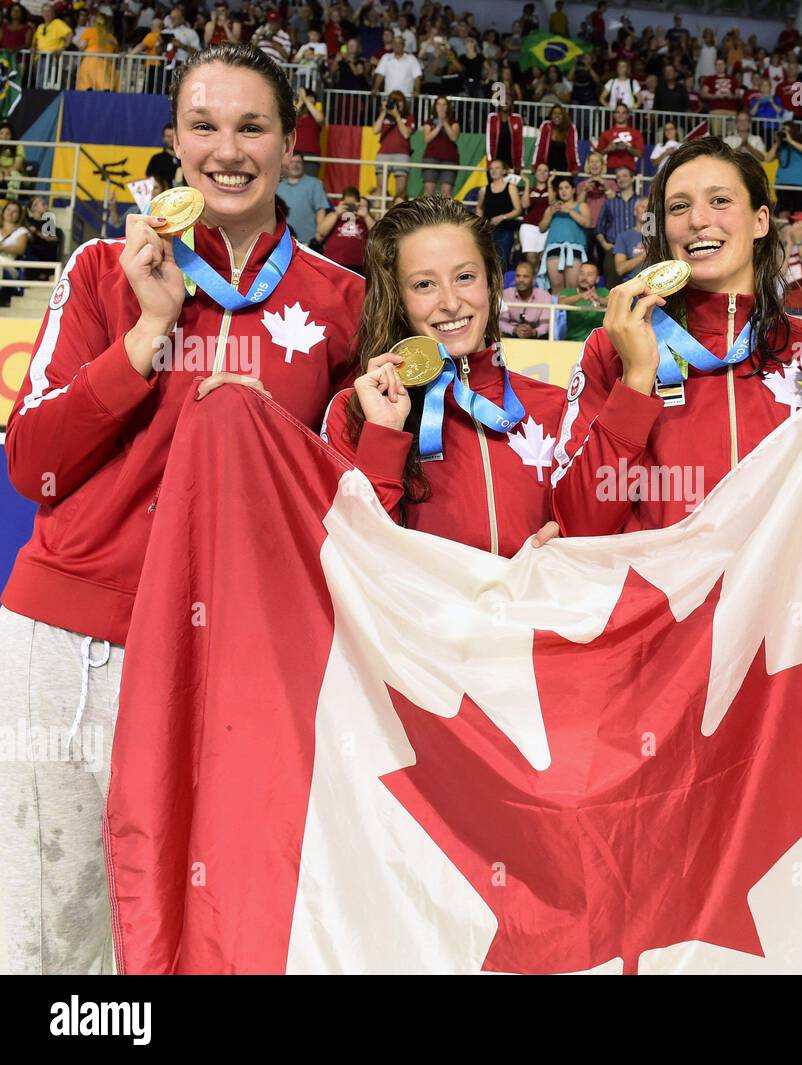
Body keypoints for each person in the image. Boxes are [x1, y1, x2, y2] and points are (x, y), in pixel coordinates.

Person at [0, 41, 364, 976]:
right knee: (50, 935)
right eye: (203, 125)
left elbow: (356, 499)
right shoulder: (100, 271)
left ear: (291, 147)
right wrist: (149, 331)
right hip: (77, 645)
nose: (227, 149)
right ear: (172, 141)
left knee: (200, 926)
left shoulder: (341, 304)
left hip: (235, 662)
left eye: (252, 126)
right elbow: (33, 464)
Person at [550, 137, 802, 536]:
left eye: (720, 201)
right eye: (679, 207)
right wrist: (636, 380)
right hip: (662, 598)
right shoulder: (612, 347)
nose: (698, 220)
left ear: (760, 221)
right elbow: (578, 524)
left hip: (795, 598)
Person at [322, 197, 565, 553]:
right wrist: (384, 438)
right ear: (398, 297)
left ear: (491, 282)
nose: (450, 303)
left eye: (465, 277)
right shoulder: (356, 412)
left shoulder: (557, 407)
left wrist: (573, 540)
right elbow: (350, 555)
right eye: (424, 285)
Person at [539, 174, 590, 293]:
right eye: (560, 188)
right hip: (554, 248)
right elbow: (541, 228)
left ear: (573, 190)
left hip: (574, 249)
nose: (563, 191)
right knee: (556, 287)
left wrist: (569, 211)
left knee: (572, 288)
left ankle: (570, 312)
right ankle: (557, 312)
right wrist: (551, 213)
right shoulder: (552, 208)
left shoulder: (581, 206)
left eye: (566, 187)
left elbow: (587, 223)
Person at [277, 150, 332, 246]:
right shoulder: (277, 185)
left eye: (298, 162)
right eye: (292, 162)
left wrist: (318, 238)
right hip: (282, 241)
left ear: (303, 164)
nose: (295, 165)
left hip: (308, 242)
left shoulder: (315, 184)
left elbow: (321, 210)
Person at [476, 158, 523, 267]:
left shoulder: (511, 187)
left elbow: (518, 210)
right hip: (488, 231)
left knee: (502, 261)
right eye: (491, 168)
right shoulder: (484, 190)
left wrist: (502, 217)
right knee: (487, 262)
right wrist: (479, 225)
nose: (493, 171)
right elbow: (479, 208)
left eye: (497, 168)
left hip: (505, 230)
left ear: (504, 171)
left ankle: (502, 283)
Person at [372, 90, 415, 202]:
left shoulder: (409, 117)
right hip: (383, 154)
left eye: (399, 101)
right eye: (394, 101)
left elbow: (406, 134)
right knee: (380, 189)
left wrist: (397, 116)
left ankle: (399, 218)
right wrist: (383, 112)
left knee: (400, 191)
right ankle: (379, 217)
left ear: (404, 102)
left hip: (401, 155)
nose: (397, 103)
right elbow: (375, 130)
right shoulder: (384, 116)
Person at [318, 186, 370, 277]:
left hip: (359, 266)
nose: (349, 208)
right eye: (347, 205)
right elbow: (321, 231)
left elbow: (378, 232)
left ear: (358, 203)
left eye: (352, 205)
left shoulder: (364, 218)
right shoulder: (334, 216)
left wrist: (366, 216)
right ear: (341, 203)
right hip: (334, 264)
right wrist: (337, 213)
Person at [766, 122, 802, 217]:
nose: (785, 132)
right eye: (783, 130)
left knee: (799, 212)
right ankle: (784, 231)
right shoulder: (781, 146)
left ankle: (798, 231)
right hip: (782, 183)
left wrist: (790, 140)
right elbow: (768, 159)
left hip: (799, 183)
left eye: (787, 130)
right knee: (784, 211)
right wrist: (776, 142)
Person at [500, 258, 553, 339]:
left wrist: (534, 332)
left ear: (533, 280)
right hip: (511, 337)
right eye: (518, 276)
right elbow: (501, 322)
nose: (521, 280)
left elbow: (546, 325)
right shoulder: (505, 294)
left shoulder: (545, 296)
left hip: (537, 339)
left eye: (525, 276)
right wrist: (514, 330)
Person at [558, 261, 609, 343]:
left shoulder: (603, 292)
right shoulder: (568, 292)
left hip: (598, 342)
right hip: (573, 341)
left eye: (589, 275)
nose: (584, 278)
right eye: (582, 273)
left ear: (597, 279)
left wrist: (598, 299)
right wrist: (580, 296)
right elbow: (560, 303)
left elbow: (613, 303)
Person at [518, 162, 550, 271]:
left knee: (543, 257)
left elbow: (552, 202)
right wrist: (527, 183)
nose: (542, 173)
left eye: (545, 171)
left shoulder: (552, 189)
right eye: (539, 170)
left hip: (547, 227)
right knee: (531, 257)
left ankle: (542, 284)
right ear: (535, 174)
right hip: (529, 226)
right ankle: (533, 283)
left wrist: (549, 184)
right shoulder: (530, 190)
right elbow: (525, 204)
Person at [596, 103, 645, 174]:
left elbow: (640, 154)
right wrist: (608, 149)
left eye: (623, 112)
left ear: (628, 115)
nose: (620, 115)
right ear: (614, 115)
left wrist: (628, 148)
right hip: (611, 169)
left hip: (629, 169)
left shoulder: (636, 133)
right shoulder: (606, 133)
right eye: (618, 112)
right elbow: (598, 154)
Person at [532, 104, 579, 175]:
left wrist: (575, 167)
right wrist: (536, 165)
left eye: (560, 113)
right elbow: (539, 147)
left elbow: (573, 149)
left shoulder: (570, 128)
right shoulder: (545, 126)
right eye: (554, 113)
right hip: (547, 168)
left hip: (564, 168)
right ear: (550, 115)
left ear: (564, 116)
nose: (557, 116)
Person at [612, 198, 649, 282]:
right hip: (631, 286)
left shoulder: (659, 236)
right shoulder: (623, 236)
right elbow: (620, 269)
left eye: (649, 208)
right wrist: (644, 255)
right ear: (635, 211)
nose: (646, 210)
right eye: (643, 207)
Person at [294, 87, 326, 178]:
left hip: (311, 156)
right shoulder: (295, 116)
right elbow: (288, 119)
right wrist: (301, 101)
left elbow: (320, 120)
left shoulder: (316, 116)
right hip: (293, 155)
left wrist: (306, 100)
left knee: (310, 184)